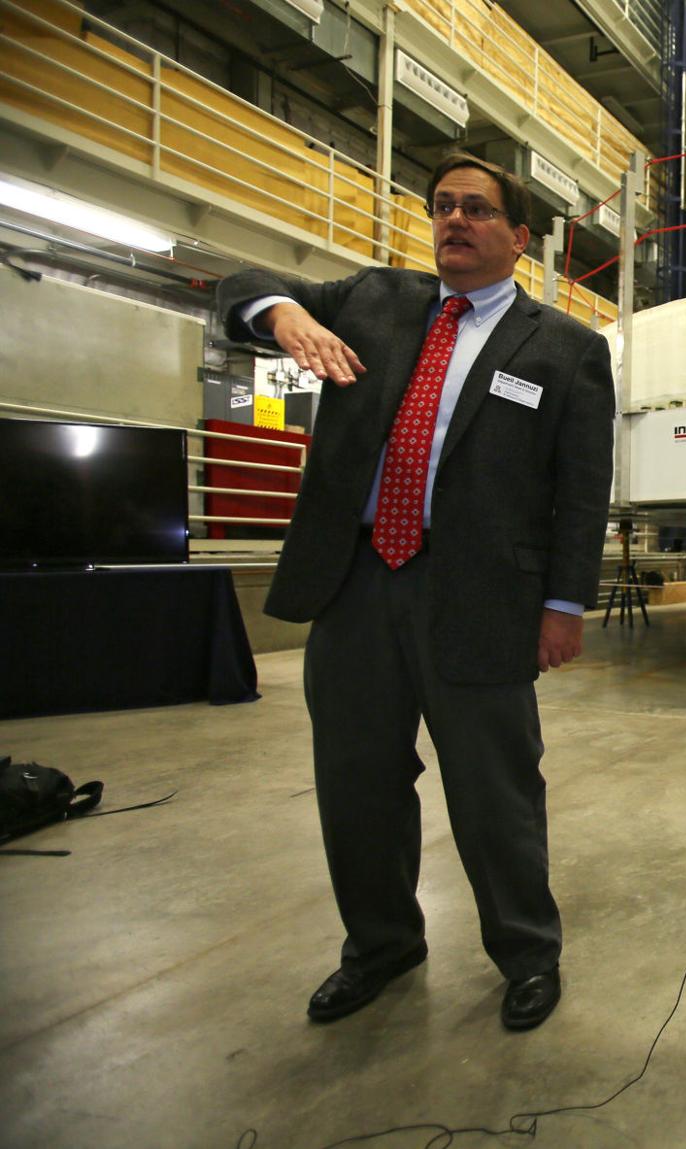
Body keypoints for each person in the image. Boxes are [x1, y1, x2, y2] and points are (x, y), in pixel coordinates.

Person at [216, 153, 614, 1031]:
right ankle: (382, 944)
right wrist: (281, 313)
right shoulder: (374, 301)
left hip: (481, 596)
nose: (454, 221)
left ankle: (526, 952)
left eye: (477, 209)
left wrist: (563, 604)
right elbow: (241, 279)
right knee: (356, 780)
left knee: (493, 790)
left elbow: (582, 489)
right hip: (357, 583)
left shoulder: (566, 349)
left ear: (518, 236)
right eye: (442, 206)